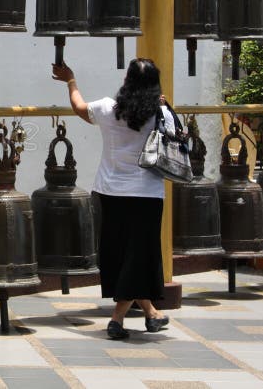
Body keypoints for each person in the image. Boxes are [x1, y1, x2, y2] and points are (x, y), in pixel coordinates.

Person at [52, 58, 171, 339]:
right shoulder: (160, 113)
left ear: (127, 81)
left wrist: (71, 80)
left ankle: (151, 313)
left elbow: (78, 107)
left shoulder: (108, 109)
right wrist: (163, 105)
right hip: (147, 194)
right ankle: (117, 319)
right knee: (139, 254)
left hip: (110, 192)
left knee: (122, 253)